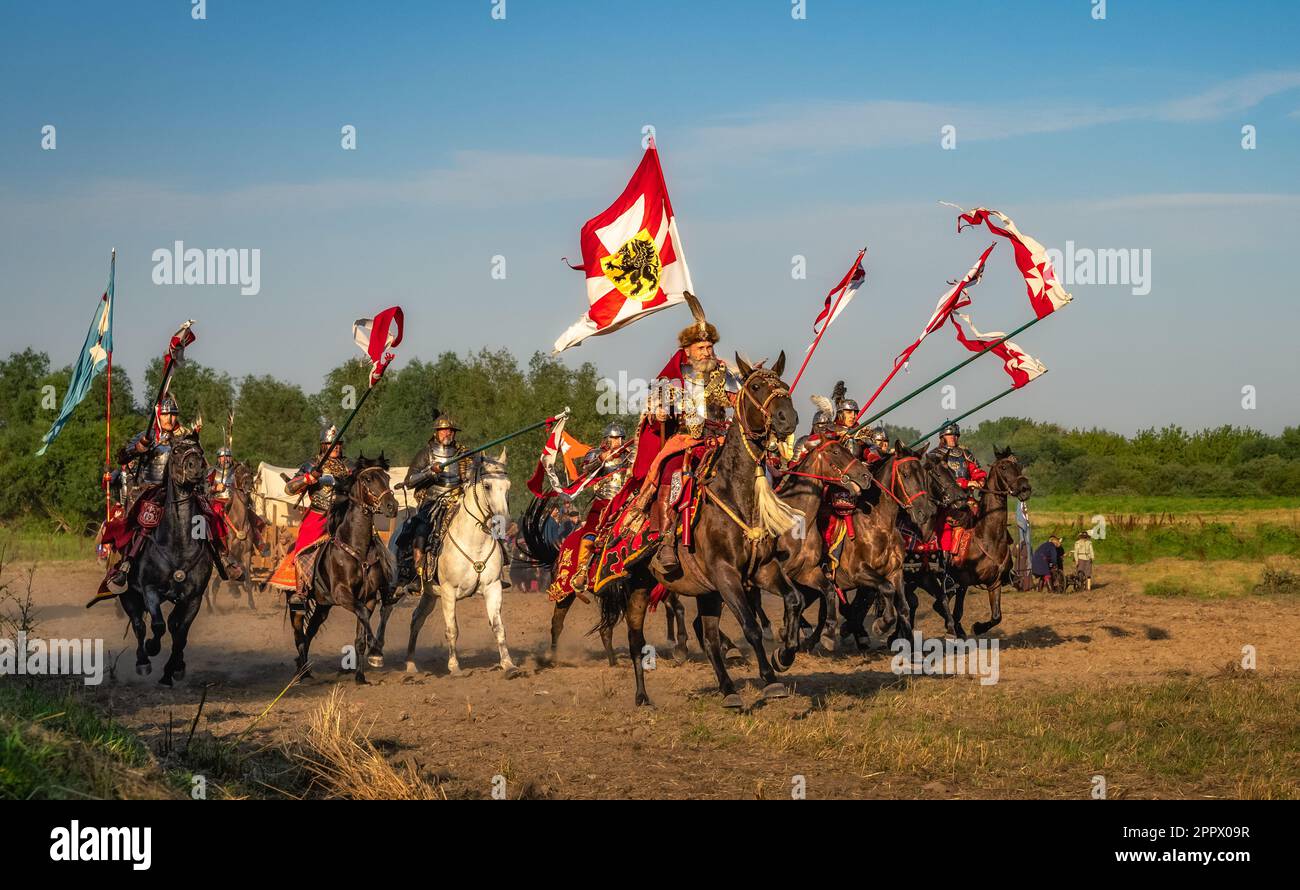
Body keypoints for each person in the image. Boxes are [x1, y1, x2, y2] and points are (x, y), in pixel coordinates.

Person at [628, 295, 738, 575]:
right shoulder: (673, 377)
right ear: (687, 349)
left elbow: (737, 402)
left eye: (710, 347)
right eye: (701, 347)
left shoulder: (723, 374)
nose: (707, 353)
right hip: (686, 441)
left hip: (720, 441)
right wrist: (660, 413)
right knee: (672, 473)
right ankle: (666, 538)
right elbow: (654, 411)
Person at [101, 395, 241, 593]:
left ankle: (222, 557)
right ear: (159, 415)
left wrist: (205, 484)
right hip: (150, 489)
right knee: (141, 523)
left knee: (206, 516)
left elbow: (199, 464)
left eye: (174, 414)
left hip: (184, 491)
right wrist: (139, 447)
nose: (170, 419)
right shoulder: (147, 435)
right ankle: (125, 564)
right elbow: (123, 456)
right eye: (166, 414)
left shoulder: (186, 436)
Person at [268, 422, 350, 605]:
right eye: (331, 444)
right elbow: (289, 488)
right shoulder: (311, 464)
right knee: (303, 543)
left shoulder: (348, 466)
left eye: (338, 444)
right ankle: (301, 590)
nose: (335, 447)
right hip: (319, 515)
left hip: (344, 513)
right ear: (323, 445)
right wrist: (308, 478)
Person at [564, 423, 633, 595]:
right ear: (607, 439)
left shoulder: (631, 455)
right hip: (603, 503)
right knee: (591, 530)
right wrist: (602, 459)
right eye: (614, 438)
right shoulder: (596, 454)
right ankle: (581, 571)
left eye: (620, 438)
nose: (618, 441)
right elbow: (586, 470)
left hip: (626, 501)